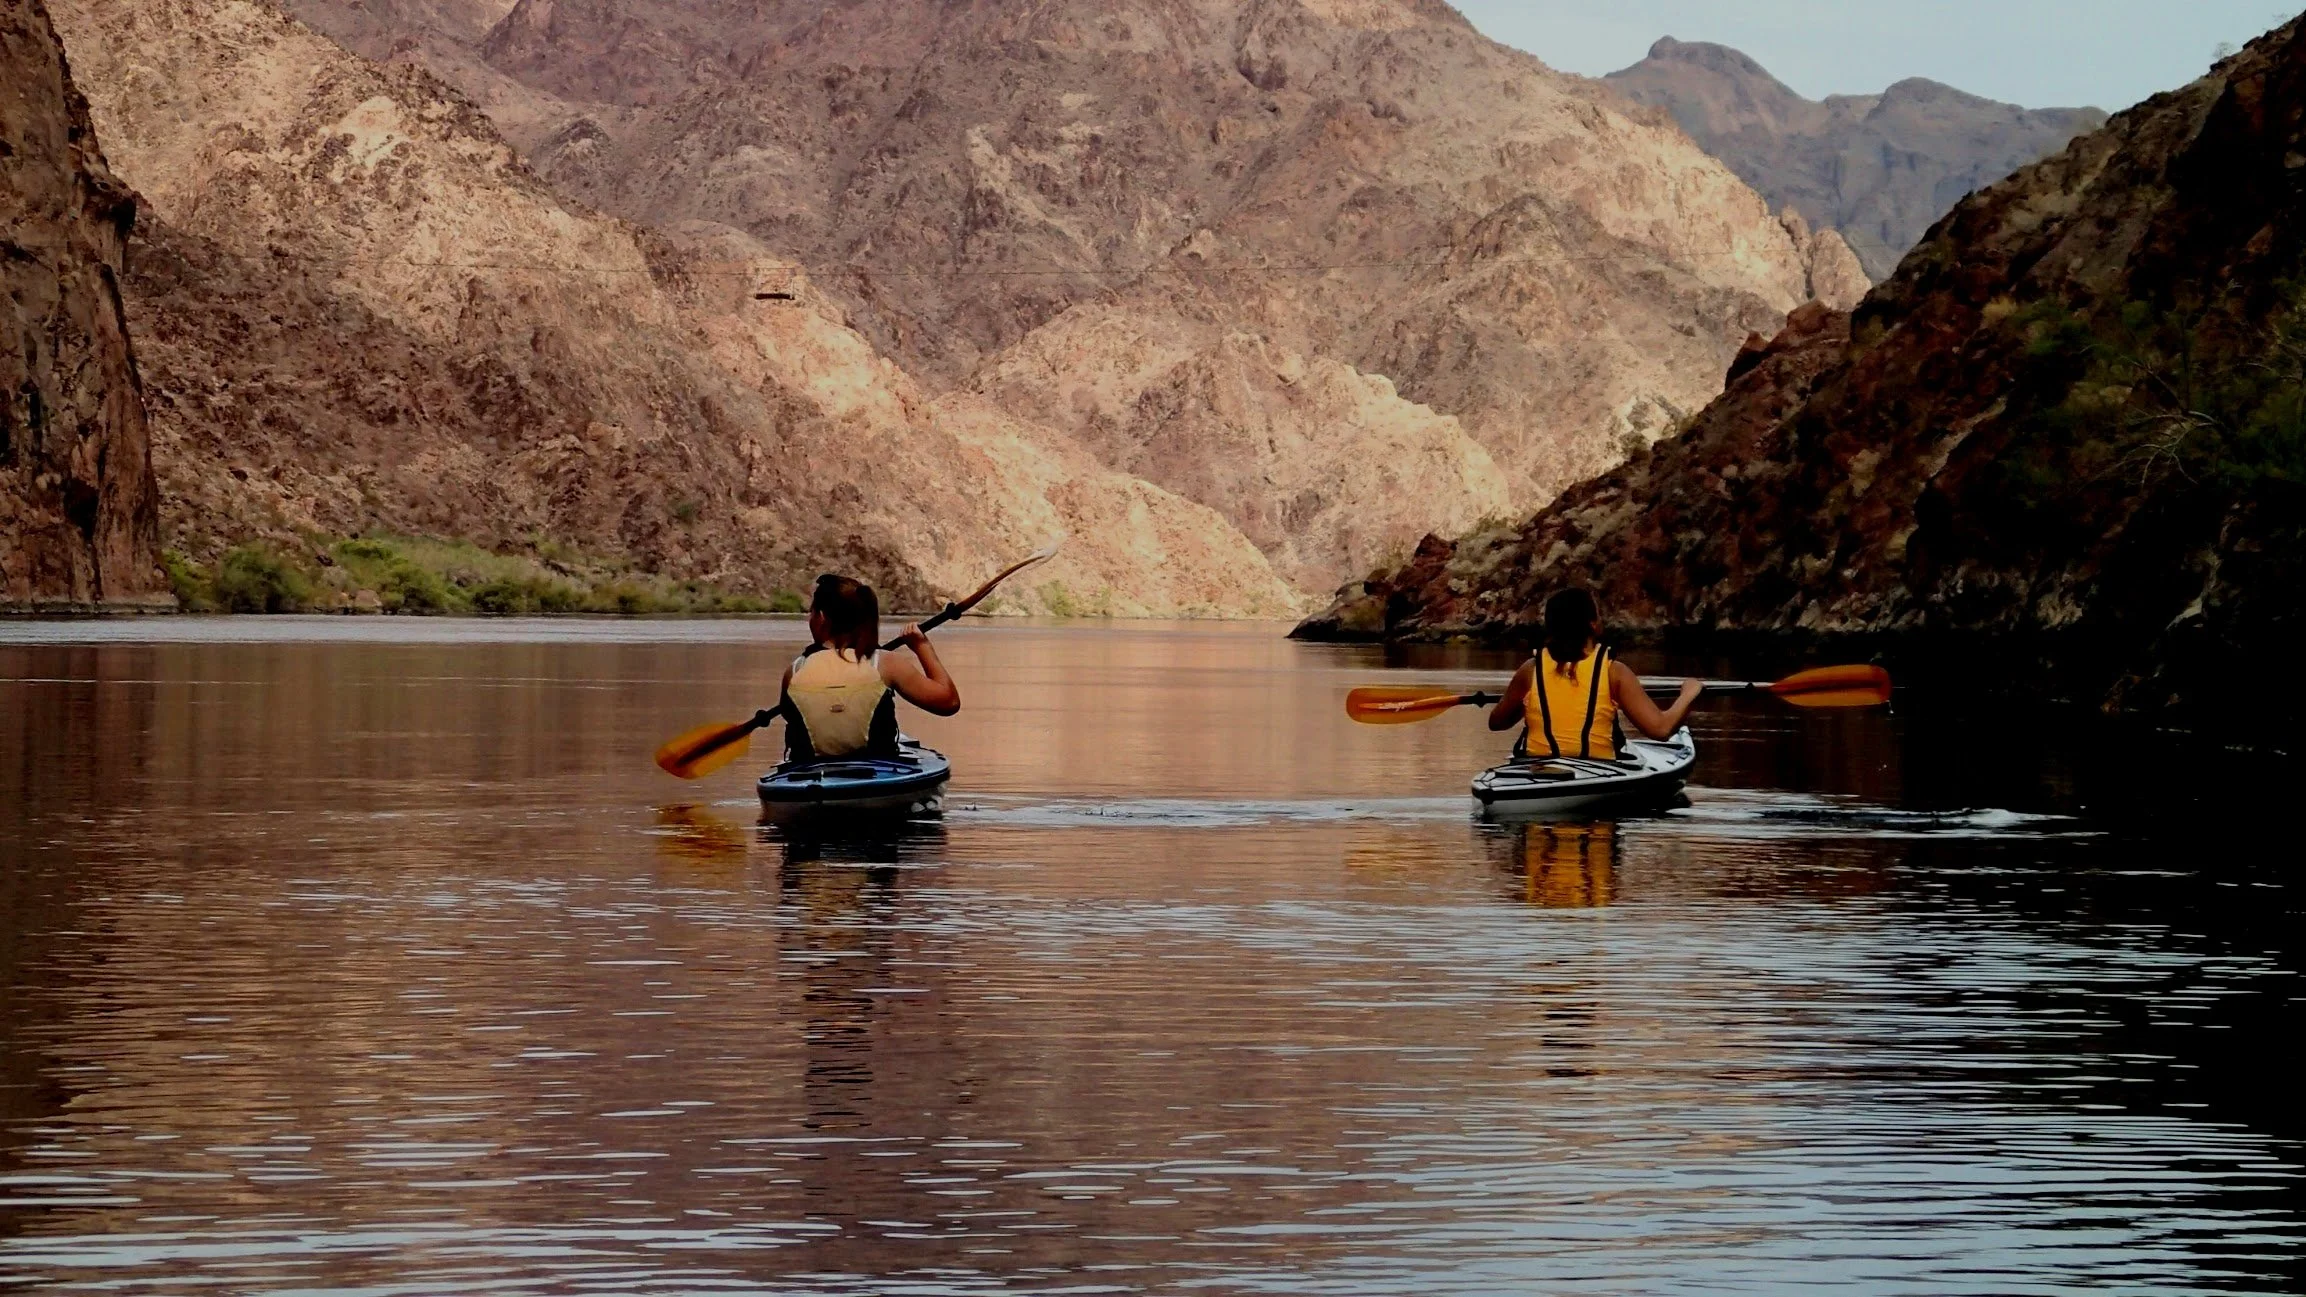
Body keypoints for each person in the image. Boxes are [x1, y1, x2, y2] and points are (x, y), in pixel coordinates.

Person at [1487, 589, 1702, 760]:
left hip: (1537, 768)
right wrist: (1689, 693)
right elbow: (1661, 729)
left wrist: (1527, 702)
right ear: (1592, 624)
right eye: (1598, 615)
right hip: (1597, 768)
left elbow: (1497, 722)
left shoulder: (1531, 669)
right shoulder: (1614, 672)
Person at [777, 575, 959, 763]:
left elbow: (790, 713)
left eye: (811, 613)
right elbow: (948, 702)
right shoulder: (886, 663)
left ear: (821, 618)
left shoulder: (795, 670)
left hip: (807, 773)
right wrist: (921, 646)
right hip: (876, 769)